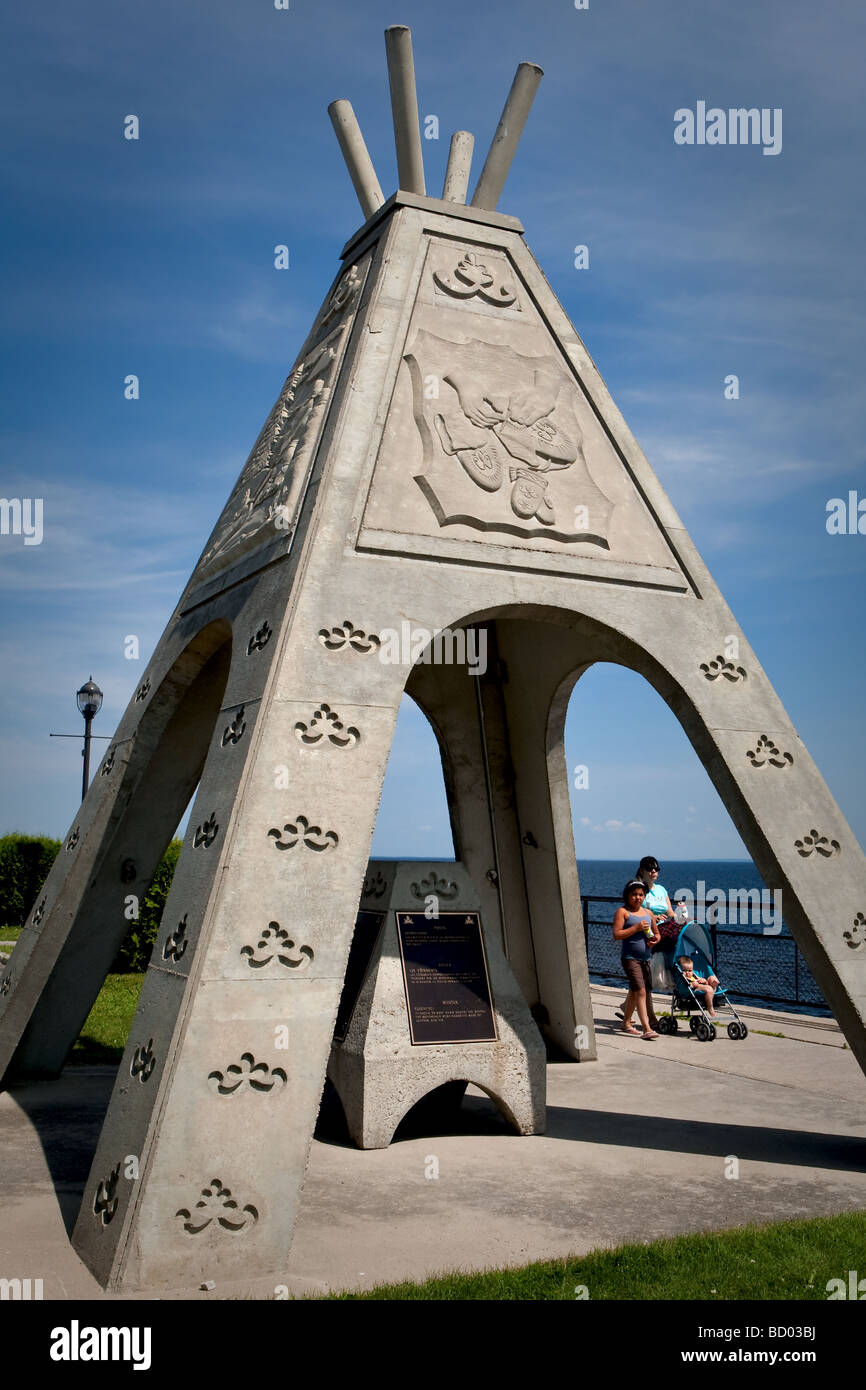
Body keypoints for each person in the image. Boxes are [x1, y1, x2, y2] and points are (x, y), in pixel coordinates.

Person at [616, 856, 681, 1023]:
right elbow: (635, 910)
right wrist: (651, 917)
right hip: (645, 934)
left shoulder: (662, 890)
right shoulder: (638, 890)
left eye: (656, 869)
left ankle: (627, 1006)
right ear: (642, 871)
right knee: (645, 978)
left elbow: (671, 912)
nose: (654, 871)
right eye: (650, 868)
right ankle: (650, 1019)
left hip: (663, 932)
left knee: (643, 977)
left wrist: (678, 917)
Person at [612, 879, 660, 1039]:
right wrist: (635, 928)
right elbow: (617, 935)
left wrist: (654, 940)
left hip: (645, 959)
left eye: (641, 895)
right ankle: (647, 1028)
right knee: (641, 991)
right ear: (627, 895)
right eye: (634, 894)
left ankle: (626, 1022)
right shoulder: (623, 912)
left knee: (634, 991)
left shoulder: (648, 913)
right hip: (630, 958)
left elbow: (656, 934)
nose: (638, 898)